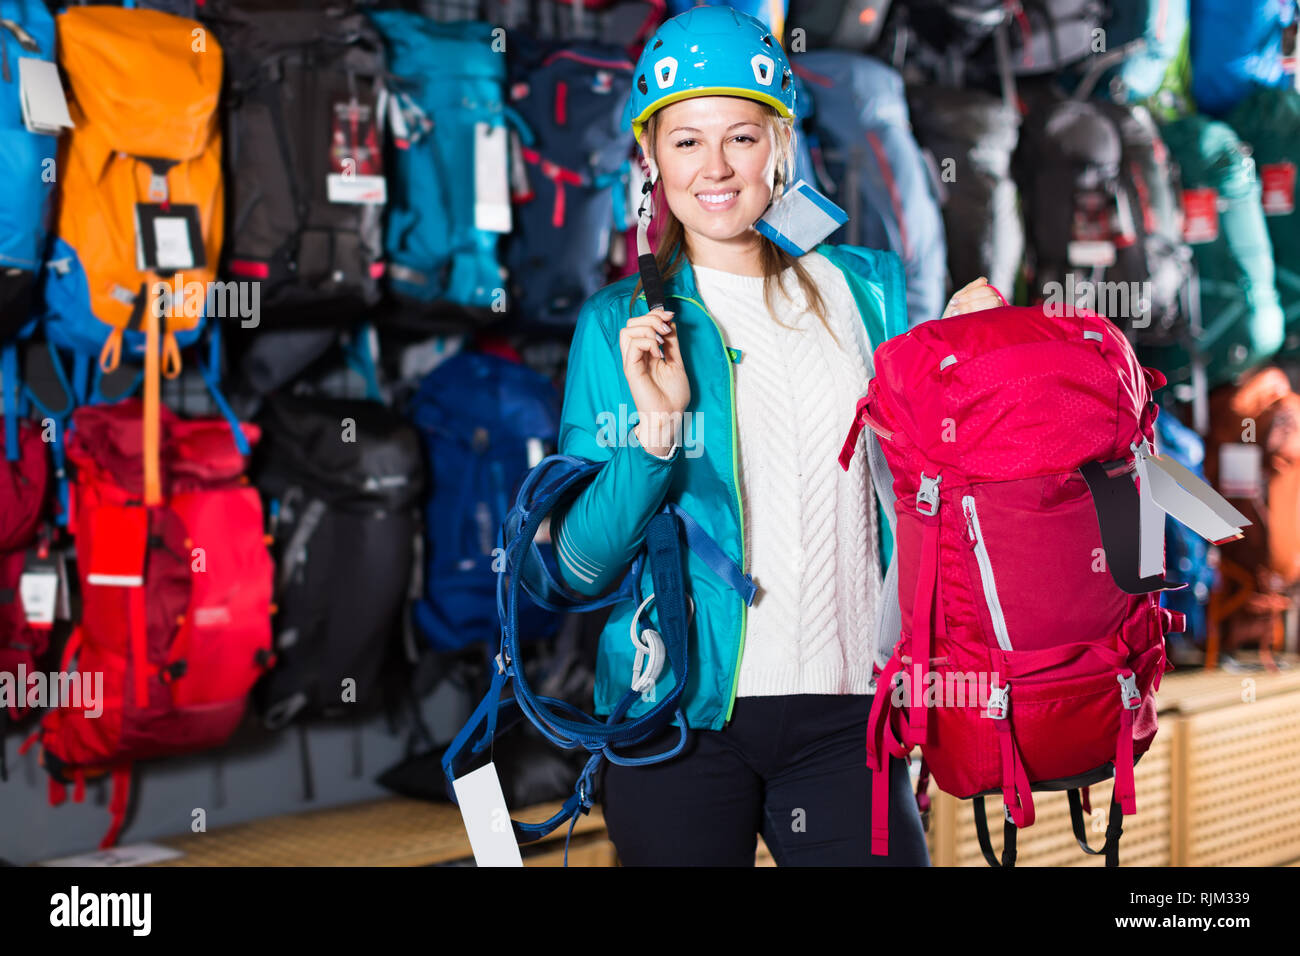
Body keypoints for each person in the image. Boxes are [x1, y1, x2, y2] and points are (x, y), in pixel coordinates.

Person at [549, 5, 1001, 866]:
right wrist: (655, 436)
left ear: (781, 144)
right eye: (687, 141)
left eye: (743, 138)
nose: (715, 168)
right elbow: (578, 569)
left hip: (848, 716)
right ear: (650, 157)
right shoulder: (619, 323)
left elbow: (923, 480)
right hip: (678, 721)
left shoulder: (865, 291)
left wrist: (965, 357)